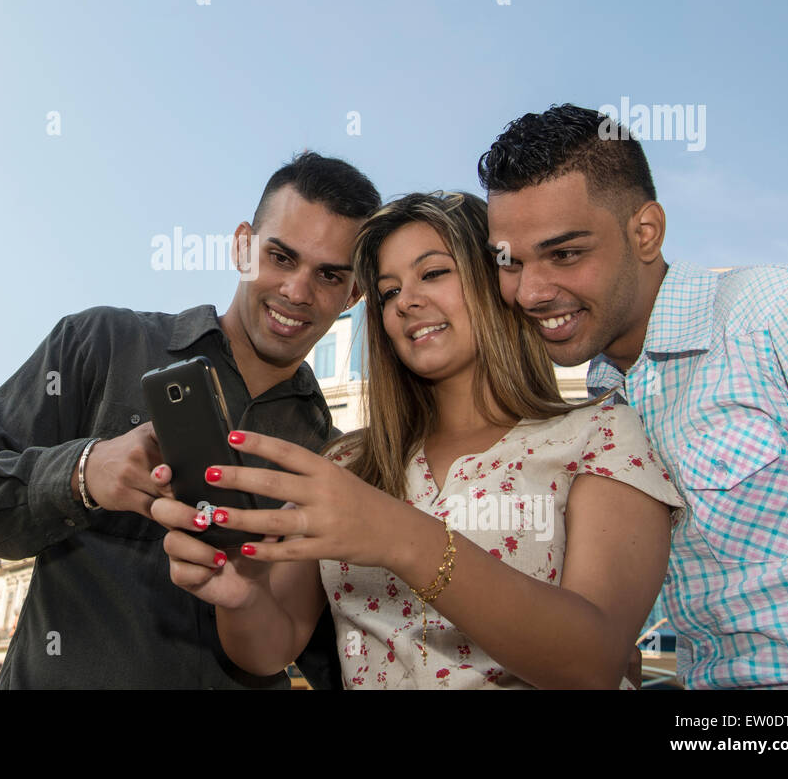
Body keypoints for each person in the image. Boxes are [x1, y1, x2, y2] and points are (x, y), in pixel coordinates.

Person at [153, 192, 682, 688]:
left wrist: (401, 537)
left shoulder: (600, 436)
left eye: (432, 273)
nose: (405, 302)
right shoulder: (348, 463)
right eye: (388, 292)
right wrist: (242, 595)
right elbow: (271, 646)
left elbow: (594, 662)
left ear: (495, 280)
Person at [0, 152, 381, 688]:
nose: (297, 292)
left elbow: (343, 655)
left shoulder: (337, 463)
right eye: (280, 257)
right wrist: (82, 474)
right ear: (242, 247)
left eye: (328, 275)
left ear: (353, 294)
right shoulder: (100, 344)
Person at [479, 103, 788, 688]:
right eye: (510, 263)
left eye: (565, 254)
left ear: (645, 233)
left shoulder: (780, 316)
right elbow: (694, 625)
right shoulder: (603, 407)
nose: (530, 292)